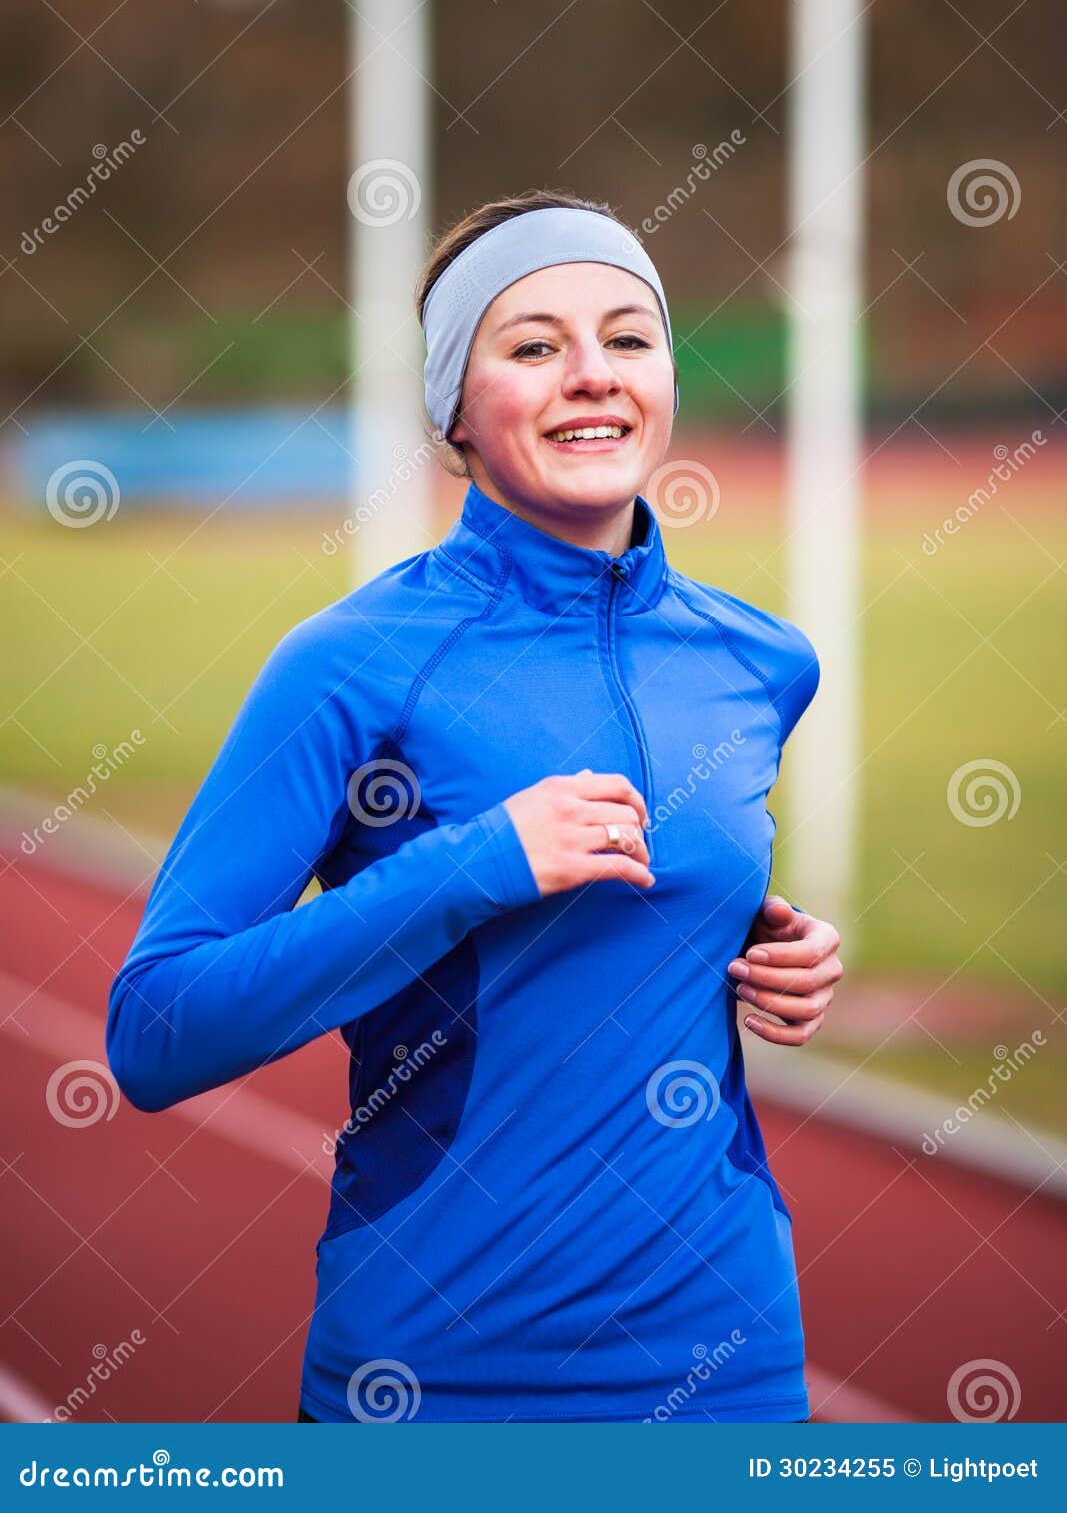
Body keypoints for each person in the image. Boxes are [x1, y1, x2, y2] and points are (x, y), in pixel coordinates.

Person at [106, 190, 843, 1424]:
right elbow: (155, 1032)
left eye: (627, 337)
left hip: (731, 1366)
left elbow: (659, 935)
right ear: (455, 405)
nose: (591, 378)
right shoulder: (350, 663)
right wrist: (468, 865)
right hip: (436, 1381)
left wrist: (769, 949)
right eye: (533, 345)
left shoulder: (760, 661)